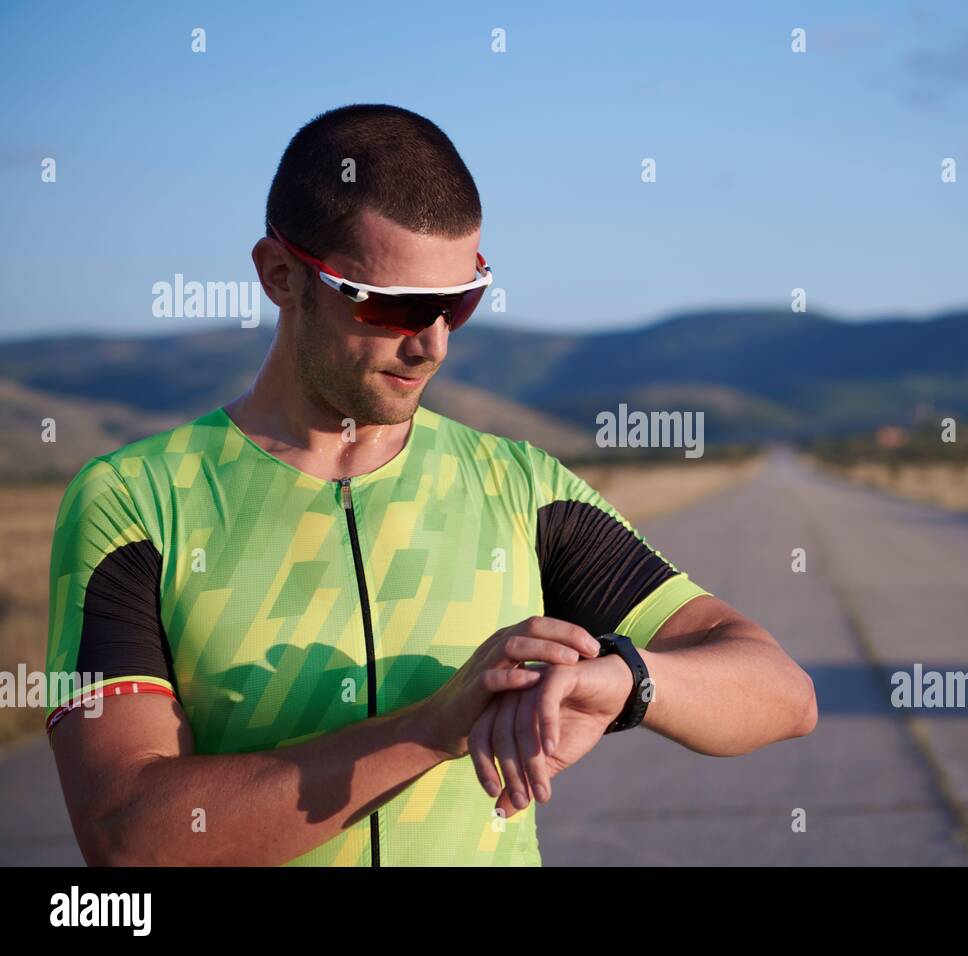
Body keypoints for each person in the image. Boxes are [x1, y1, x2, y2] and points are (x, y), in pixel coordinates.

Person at [44, 104, 817, 866]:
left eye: (461, 301)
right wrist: (431, 727)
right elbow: (129, 835)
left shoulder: (518, 486)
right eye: (395, 306)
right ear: (281, 276)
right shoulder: (136, 501)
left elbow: (783, 694)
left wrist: (629, 679)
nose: (433, 344)